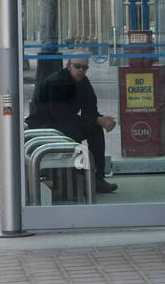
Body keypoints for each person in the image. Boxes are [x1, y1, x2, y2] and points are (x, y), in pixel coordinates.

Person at [25, 57, 118, 193]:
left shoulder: (83, 82)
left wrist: (103, 120)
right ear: (68, 66)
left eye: (84, 67)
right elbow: (60, 115)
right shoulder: (56, 82)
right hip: (44, 125)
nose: (81, 70)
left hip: (62, 122)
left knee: (95, 129)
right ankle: (76, 176)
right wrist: (96, 120)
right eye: (77, 66)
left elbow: (90, 111)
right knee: (73, 131)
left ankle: (97, 178)